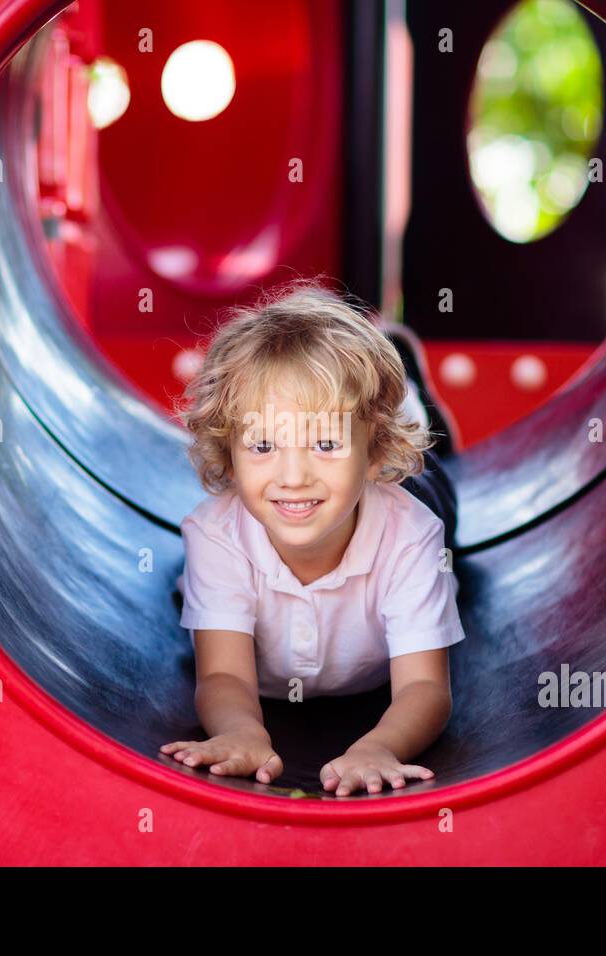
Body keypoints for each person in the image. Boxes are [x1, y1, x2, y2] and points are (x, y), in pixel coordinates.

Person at [162, 280, 464, 796]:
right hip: (335, 495)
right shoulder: (215, 535)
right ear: (229, 451)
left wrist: (381, 746)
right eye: (262, 444)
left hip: (397, 488)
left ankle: (405, 377)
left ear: (371, 454)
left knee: (428, 465)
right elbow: (223, 677)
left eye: (324, 442)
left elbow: (425, 687)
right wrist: (242, 732)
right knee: (178, 578)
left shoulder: (413, 536)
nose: (294, 474)